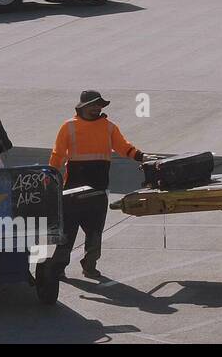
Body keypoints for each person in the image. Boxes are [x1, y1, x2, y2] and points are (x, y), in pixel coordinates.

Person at [48, 91, 149, 280]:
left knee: (95, 231)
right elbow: (58, 154)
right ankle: (58, 267)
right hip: (72, 190)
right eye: (93, 104)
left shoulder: (109, 127)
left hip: (99, 189)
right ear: (82, 107)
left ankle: (90, 265)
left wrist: (142, 157)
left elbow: (123, 146)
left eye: (99, 105)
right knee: (67, 232)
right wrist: (50, 175)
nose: (97, 108)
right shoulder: (69, 127)